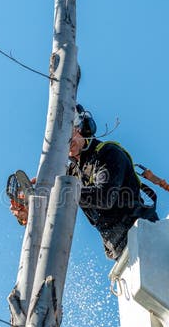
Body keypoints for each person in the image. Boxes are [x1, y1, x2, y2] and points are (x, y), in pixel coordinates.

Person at [67, 104, 158, 260]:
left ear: (83, 128)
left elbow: (104, 197)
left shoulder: (107, 153)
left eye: (71, 131)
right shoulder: (72, 173)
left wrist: (62, 191)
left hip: (144, 235)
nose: (67, 139)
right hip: (119, 250)